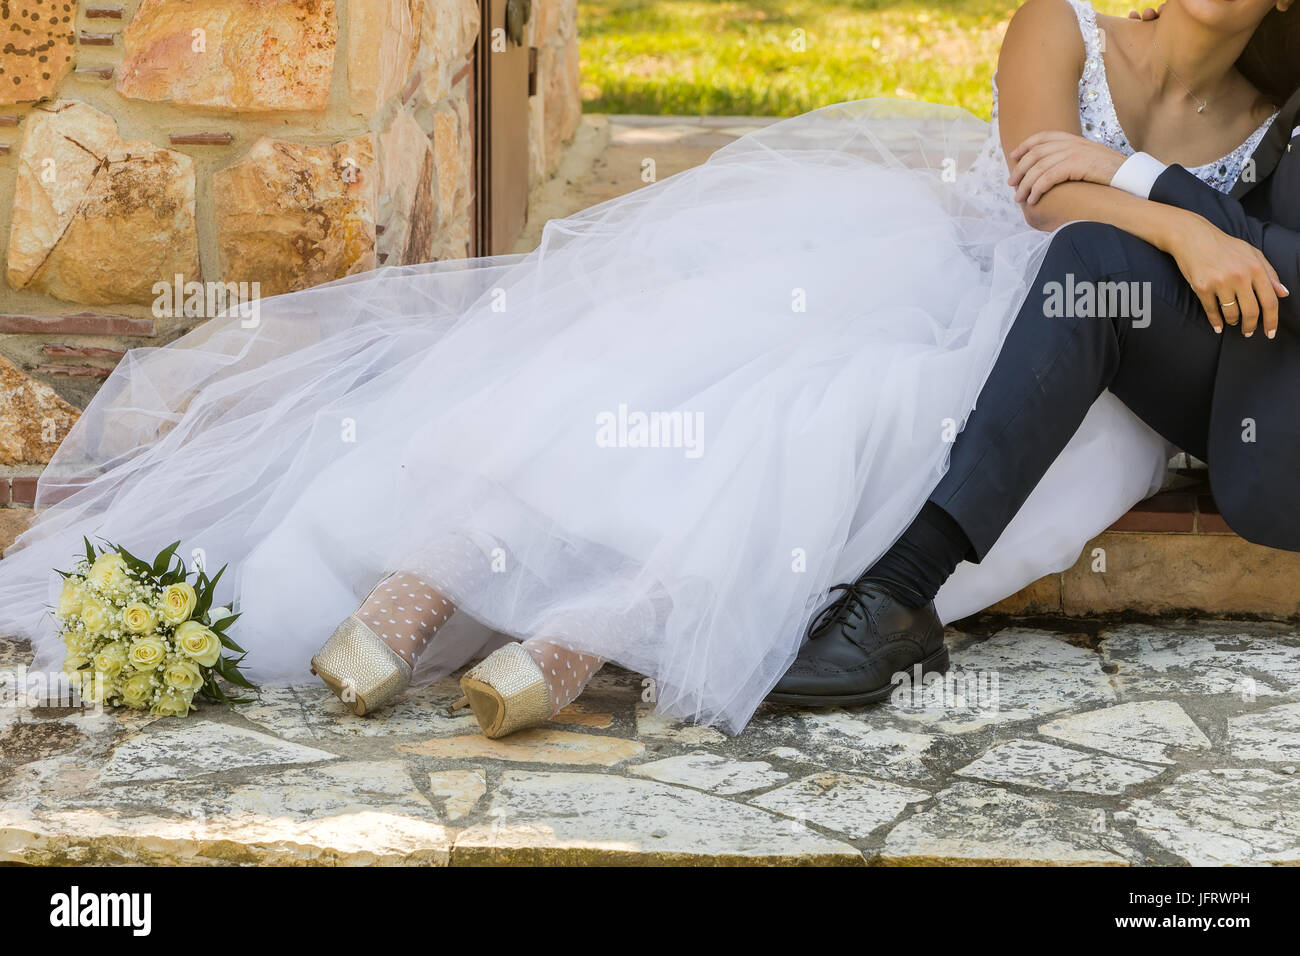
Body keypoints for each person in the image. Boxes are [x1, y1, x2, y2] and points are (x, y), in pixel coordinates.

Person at [0, 0, 1294, 738]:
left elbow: (1181, 258)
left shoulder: (1270, 124)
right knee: (713, 350)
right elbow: (1033, 194)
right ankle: (426, 576)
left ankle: (583, 629)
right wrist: (1177, 219)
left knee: (863, 422)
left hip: (1081, 349)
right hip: (956, 262)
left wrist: (1145, 204)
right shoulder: (1058, 27)